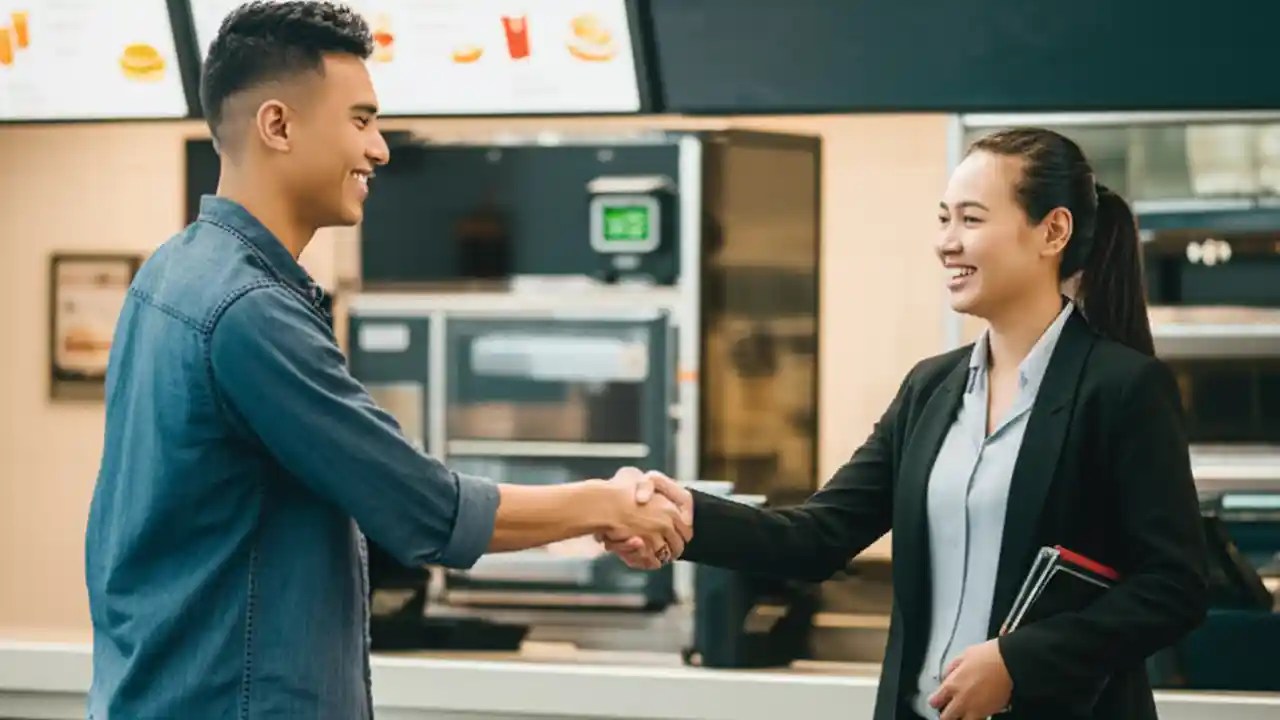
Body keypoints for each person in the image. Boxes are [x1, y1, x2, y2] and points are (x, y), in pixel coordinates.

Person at [83, 3, 691, 718]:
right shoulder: (248, 311)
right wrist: (607, 503)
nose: (380, 151)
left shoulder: (169, 276)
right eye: (361, 120)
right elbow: (425, 509)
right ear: (277, 125)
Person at [606, 127, 1209, 720]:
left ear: (1052, 230)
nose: (946, 242)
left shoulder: (1121, 388)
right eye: (943, 218)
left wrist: (1019, 661)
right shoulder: (931, 388)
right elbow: (816, 537)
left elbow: (1173, 587)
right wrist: (684, 514)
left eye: (971, 220)